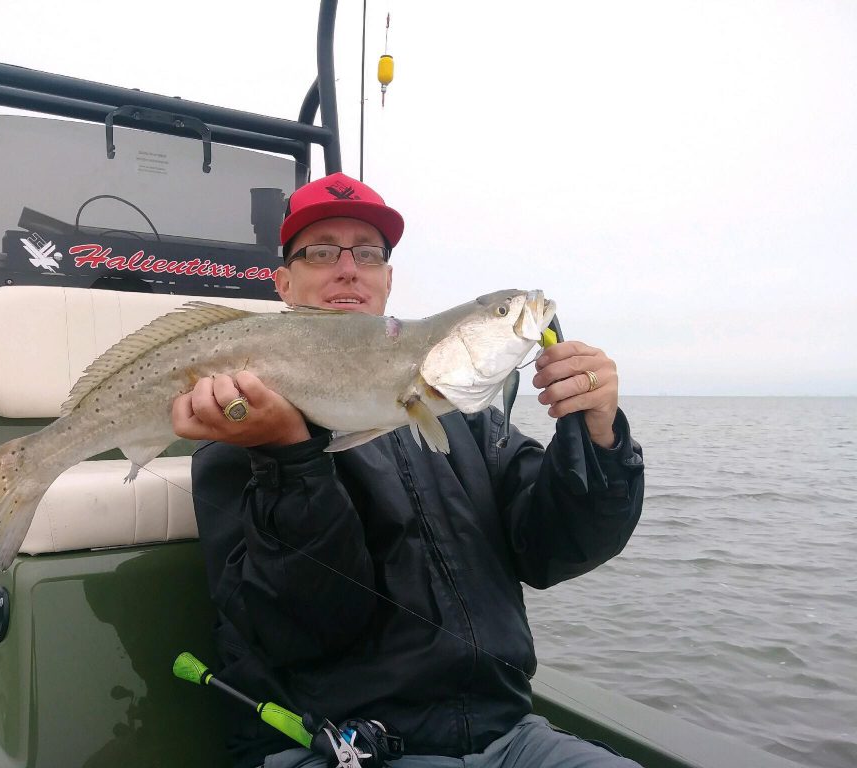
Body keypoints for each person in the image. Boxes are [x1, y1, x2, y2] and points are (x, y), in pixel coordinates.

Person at [171, 173, 645, 768]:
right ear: (284, 282)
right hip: (346, 746)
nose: (349, 267)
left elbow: (555, 550)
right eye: (321, 251)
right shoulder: (237, 427)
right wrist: (289, 457)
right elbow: (302, 630)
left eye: (368, 253)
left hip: (510, 735)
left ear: (388, 279)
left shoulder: (464, 416)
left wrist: (598, 435)